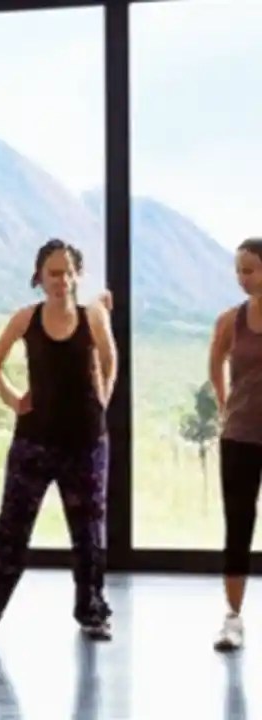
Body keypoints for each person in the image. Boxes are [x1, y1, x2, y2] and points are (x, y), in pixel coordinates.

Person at [0, 239, 117, 646]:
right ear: (40, 277)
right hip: (34, 442)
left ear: (77, 275)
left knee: (88, 532)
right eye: (53, 273)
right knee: (11, 530)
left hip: (86, 443)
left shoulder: (93, 316)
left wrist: (102, 399)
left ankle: (93, 614)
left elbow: (110, 359)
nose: (62, 280)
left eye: (68, 272)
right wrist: (12, 398)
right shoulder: (26, 318)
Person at [208, 237, 262, 652]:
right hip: (240, 436)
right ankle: (232, 619)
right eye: (239, 270)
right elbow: (215, 364)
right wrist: (226, 405)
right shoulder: (230, 320)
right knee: (238, 525)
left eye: (250, 269)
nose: (243, 278)